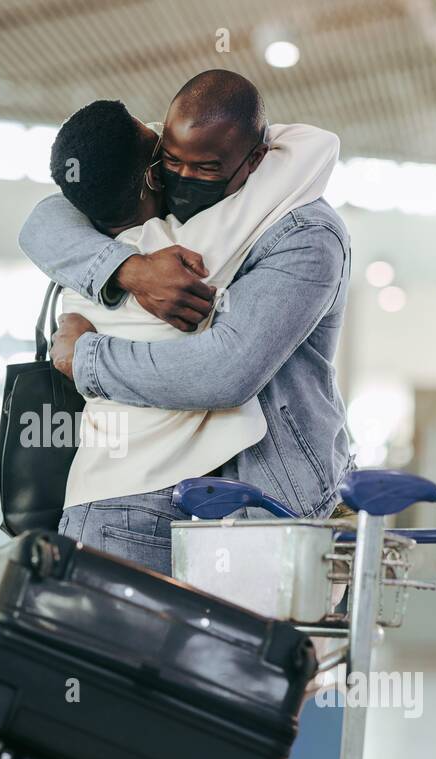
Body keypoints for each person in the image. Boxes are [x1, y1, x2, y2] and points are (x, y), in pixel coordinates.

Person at [19, 69, 354, 572]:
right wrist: (128, 270)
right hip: (141, 502)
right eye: (170, 161)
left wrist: (84, 356)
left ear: (256, 158)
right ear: (155, 159)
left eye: (206, 167)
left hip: (252, 499)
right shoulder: (141, 225)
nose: (183, 176)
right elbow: (48, 215)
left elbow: (225, 371)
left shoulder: (298, 231)